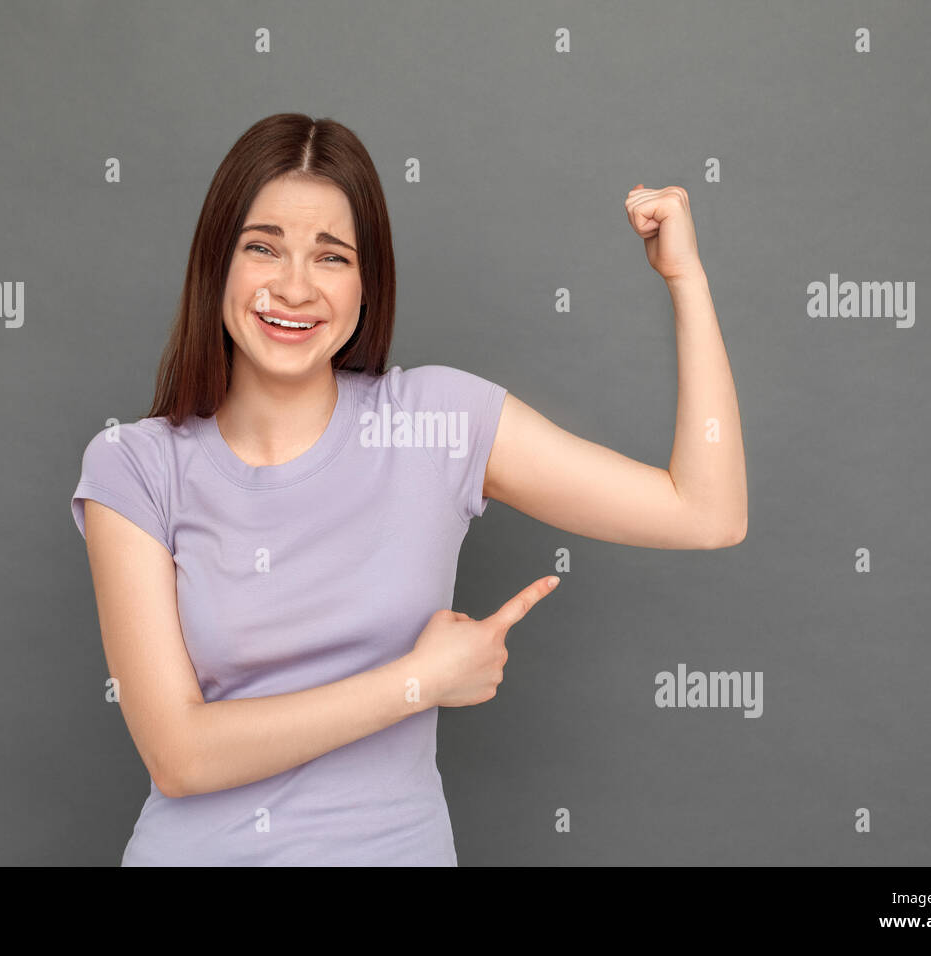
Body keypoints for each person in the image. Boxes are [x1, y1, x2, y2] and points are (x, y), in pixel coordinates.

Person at [71, 113, 747, 865]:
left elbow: (705, 512)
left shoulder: (436, 422)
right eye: (262, 247)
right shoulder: (132, 465)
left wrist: (686, 280)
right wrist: (418, 682)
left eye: (331, 257)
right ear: (216, 265)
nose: (293, 287)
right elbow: (181, 756)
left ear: (368, 281)